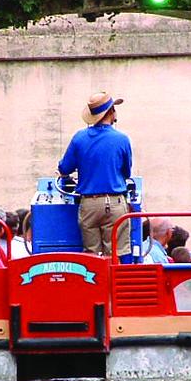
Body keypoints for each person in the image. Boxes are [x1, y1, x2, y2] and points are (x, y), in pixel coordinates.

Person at [57, 91, 133, 257]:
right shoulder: (122, 139)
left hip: (89, 205)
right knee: (117, 253)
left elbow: (64, 168)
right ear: (111, 111)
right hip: (115, 202)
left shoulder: (79, 138)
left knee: (91, 255)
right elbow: (127, 172)